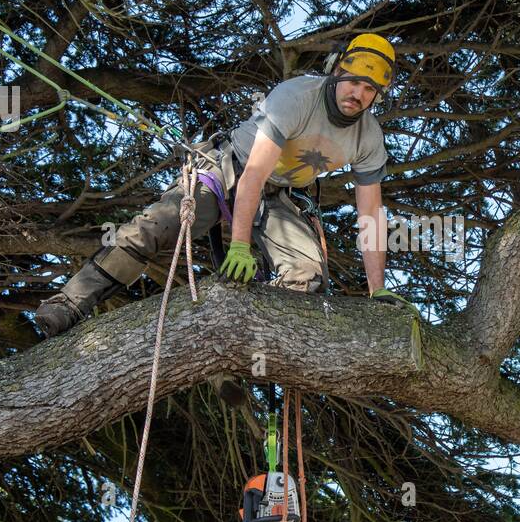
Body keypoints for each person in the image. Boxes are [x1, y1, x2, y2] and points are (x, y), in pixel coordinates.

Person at [33, 33, 416, 338]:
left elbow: (370, 216)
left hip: (279, 197)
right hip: (229, 169)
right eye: (354, 82)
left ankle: (248, 341)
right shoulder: (297, 97)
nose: (358, 95)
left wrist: (376, 289)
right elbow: (252, 174)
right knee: (158, 225)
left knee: (306, 273)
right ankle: (69, 303)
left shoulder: (369, 138)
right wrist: (238, 244)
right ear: (336, 71)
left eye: (370, 90)